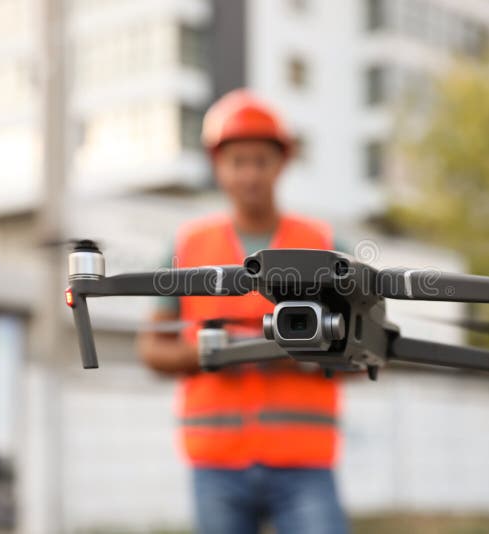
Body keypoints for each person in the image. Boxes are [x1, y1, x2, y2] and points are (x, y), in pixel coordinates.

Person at [137, 89, 348, 534]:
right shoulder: (187, 247)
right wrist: (213, 352)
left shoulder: (325, 246)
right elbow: (152, 348)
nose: (250, 174)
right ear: (218, 166)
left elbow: (368, 347)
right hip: (217, 462)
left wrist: (310, 354)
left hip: (304, 459)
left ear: (281, 164)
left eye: (260, 160)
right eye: (238, 161)